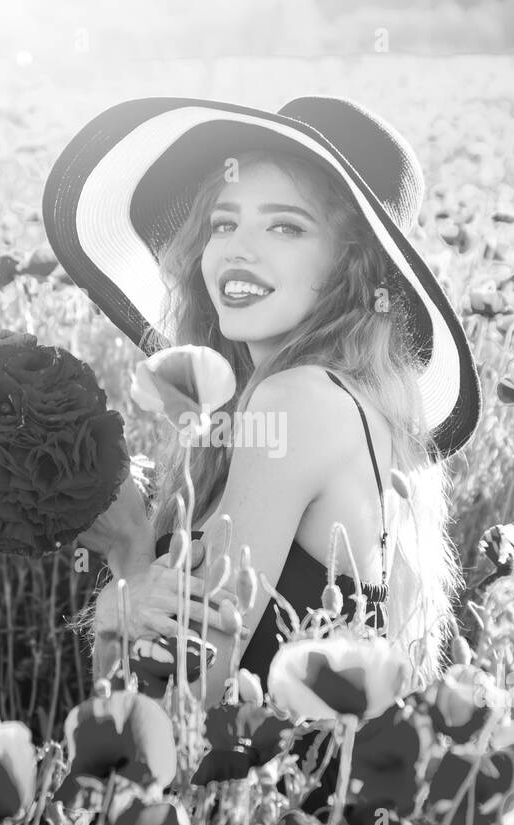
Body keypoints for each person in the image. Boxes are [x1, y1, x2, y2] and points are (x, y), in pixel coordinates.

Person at [44, 95, 483, 713]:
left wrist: (127, 564)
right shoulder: (343, 402)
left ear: (350, 268)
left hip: (279, 807)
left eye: (285, 226)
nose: (237, 249)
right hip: (300, 802)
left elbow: (182, 716)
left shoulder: (298, 401)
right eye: (224, 224)